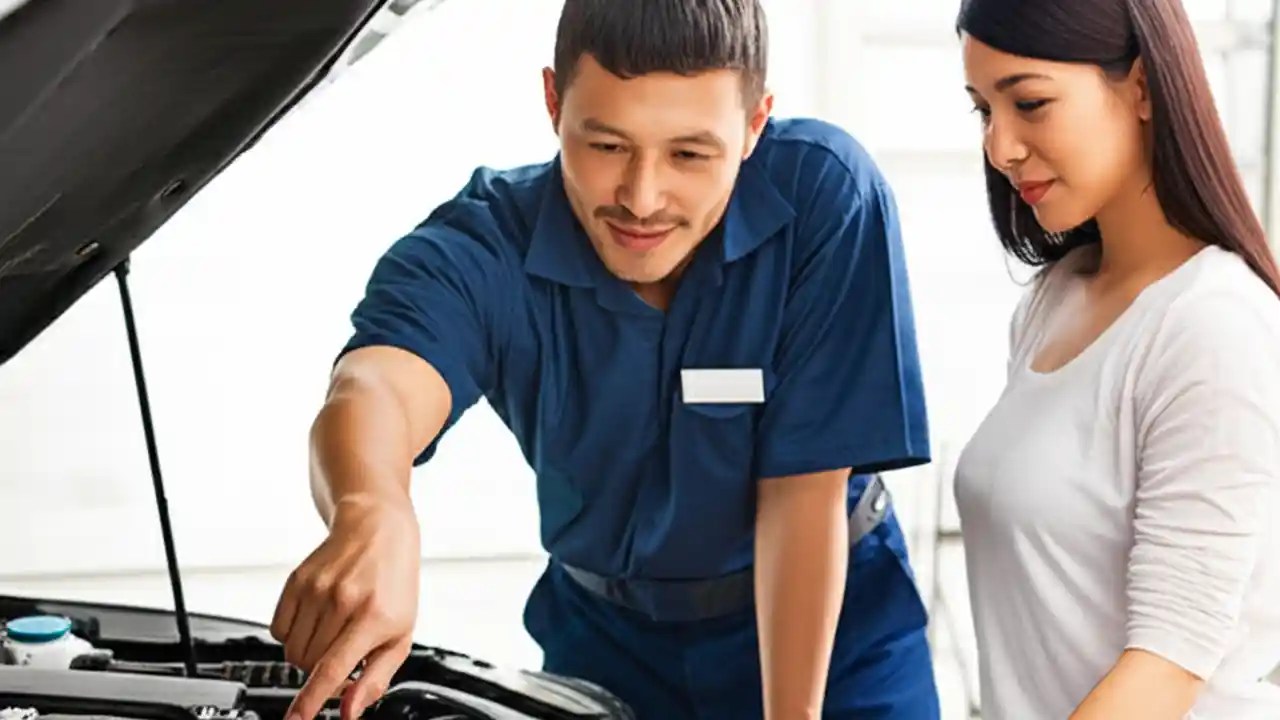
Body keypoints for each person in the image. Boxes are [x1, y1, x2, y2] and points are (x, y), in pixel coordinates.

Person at [267, 2, 941, 719]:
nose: (642, 198)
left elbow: (801, 497)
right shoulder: (485, 245)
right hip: (608, 643)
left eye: (689, 155)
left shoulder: (825, 195)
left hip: (833, 631)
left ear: (754, 125)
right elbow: (377, 384)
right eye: (608, 145)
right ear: (554, 102)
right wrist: (372, 508)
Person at [951, 0, 1280, 718]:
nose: (1000, 148)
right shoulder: (1055, 299)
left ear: (1142, 88)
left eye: (1029, 103)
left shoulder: (1213, 322)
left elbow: (1168, 665)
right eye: (983, 111)